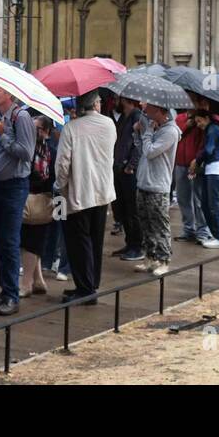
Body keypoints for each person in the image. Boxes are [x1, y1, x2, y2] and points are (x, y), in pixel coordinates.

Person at [0, 86, 35, 315]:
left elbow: (27, 153)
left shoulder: (21, 117)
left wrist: (4, 135)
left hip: (13, 186)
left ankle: (12, 295)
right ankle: (5, 290)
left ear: (9, 95)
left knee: (10, 242)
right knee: (0, 243)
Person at [56, 89, 117, 305]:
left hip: (78, 192)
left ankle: (85, 288)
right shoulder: (109, 124)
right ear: (96, 104)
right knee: (95, 240)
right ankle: (92, 283)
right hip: (102, 192)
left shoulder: (71, 128)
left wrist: (60, 186)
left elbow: (62, 164)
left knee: (78, 241)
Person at [133, 102, 179, 276]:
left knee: (160, 224)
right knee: (145, 224)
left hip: (158, 185)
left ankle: (164, 259)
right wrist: (138, 132)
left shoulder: (170, 131)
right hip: (144, 181)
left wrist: (147, 132)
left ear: (160, 110)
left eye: (150, 109)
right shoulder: (154, 127)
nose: (146, 112)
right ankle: (150, 257)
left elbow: (151, 151)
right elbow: (142, 149)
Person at [19, 116, 56, 299]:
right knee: (30, 241)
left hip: (43, 201)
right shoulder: (29, 149)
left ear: (46, 132)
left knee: (32, 243)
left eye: (37, 129)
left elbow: (54, 179)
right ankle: (39, 279)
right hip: (28, 200)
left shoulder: (51, 152)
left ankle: (26, 283)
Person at [110, 97, 147, 261]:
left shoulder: (137, 117)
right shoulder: (124, 118)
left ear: (127, 101)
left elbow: (138, 144)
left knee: (132, 210)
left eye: (120, 99)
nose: (116, 102)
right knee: (122, 209)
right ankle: (130, 243)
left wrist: (131, 165)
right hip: (119, 167)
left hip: (129, 170)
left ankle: (137, 246)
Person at [191, 110, 219, 248]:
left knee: (212, 204)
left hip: (215, 169)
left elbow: (209, 149)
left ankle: (218, 236)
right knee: (207, 204)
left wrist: (197, 160)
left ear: (207, 118)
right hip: (212, 168)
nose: (198, 125)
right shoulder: (212, 129)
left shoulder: (213, 129)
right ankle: (216, 234)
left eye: (199, 121)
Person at [172, 109, 207, 242]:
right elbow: (176, 134)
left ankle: (202, 230)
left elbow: (204, 141)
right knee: (183, 198)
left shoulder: (202, 119)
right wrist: (187, 125)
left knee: (198, 200)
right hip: (180, 163)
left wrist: (198, 160)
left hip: (195, 164)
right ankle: (188, 229)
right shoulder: (180, 118)